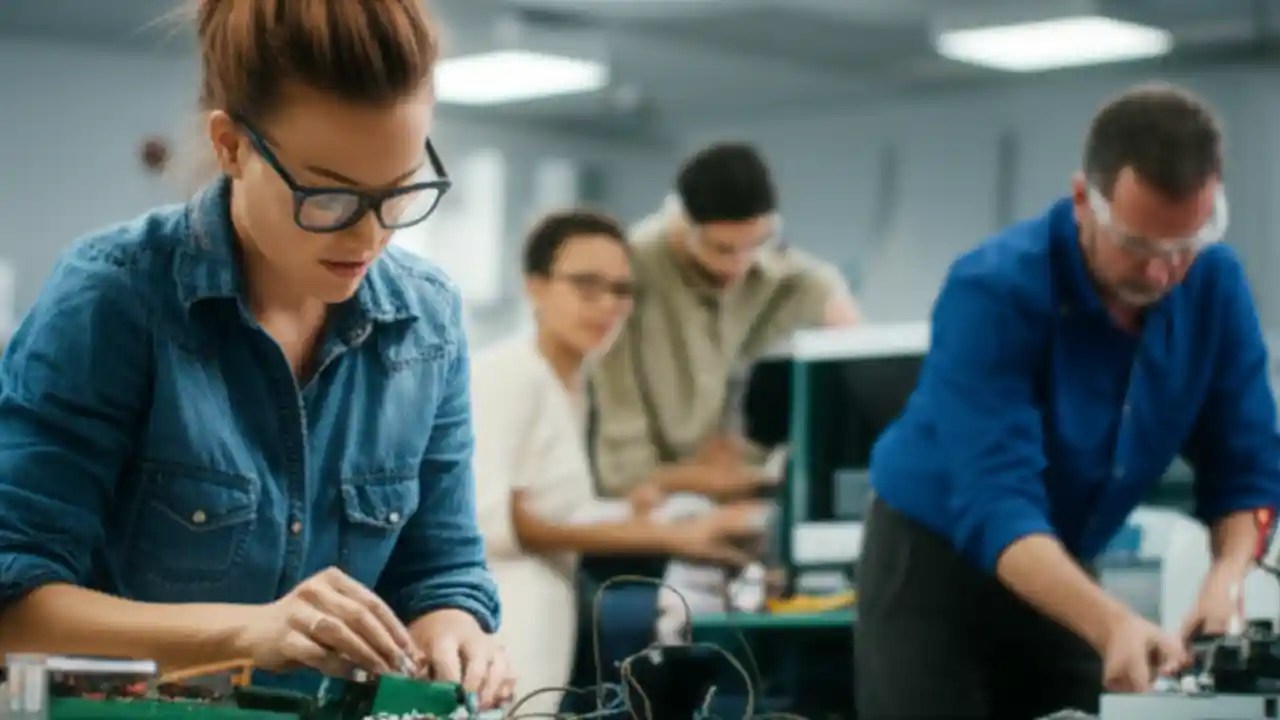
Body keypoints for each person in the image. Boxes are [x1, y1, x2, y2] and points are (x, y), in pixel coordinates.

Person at [0, 0, 510, 707]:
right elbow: (14, 607)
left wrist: (454, 629)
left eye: (397, 194)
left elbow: (441, 570)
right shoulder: (112, 299)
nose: (369, 238)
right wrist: (247, 633)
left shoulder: (425, 323)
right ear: (232, 145)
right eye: (328, 196)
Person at [855, 82, 1280, 718]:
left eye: (1184, 246)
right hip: (935, 555)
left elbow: (1246, 465)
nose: (1164, 273)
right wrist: (1112, 625)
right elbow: (996, 501)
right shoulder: (994, 289)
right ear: (1085, 200)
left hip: (1059, 554)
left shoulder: (1214, 287)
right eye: (1139, 247)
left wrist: (1226, 582)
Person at [471, 210, 766, 713]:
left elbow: (565, 513)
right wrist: (670, 536)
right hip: (502, 618)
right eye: (587, 286)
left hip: (547, 621)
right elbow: (504, 522)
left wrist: (660, 512)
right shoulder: (510, 374)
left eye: (622, 290)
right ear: (535, 286)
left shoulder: (574, 386)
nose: (607, 305)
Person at [592, 141, 863, 505]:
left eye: (757, 243)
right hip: (646, 502)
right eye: (723, 249)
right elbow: (622, 473)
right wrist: (705, 479)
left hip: (735, 487)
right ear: (681, 224)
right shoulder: (627, 275)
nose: (740, 264)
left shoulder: (783, 272)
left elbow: (839, 321)